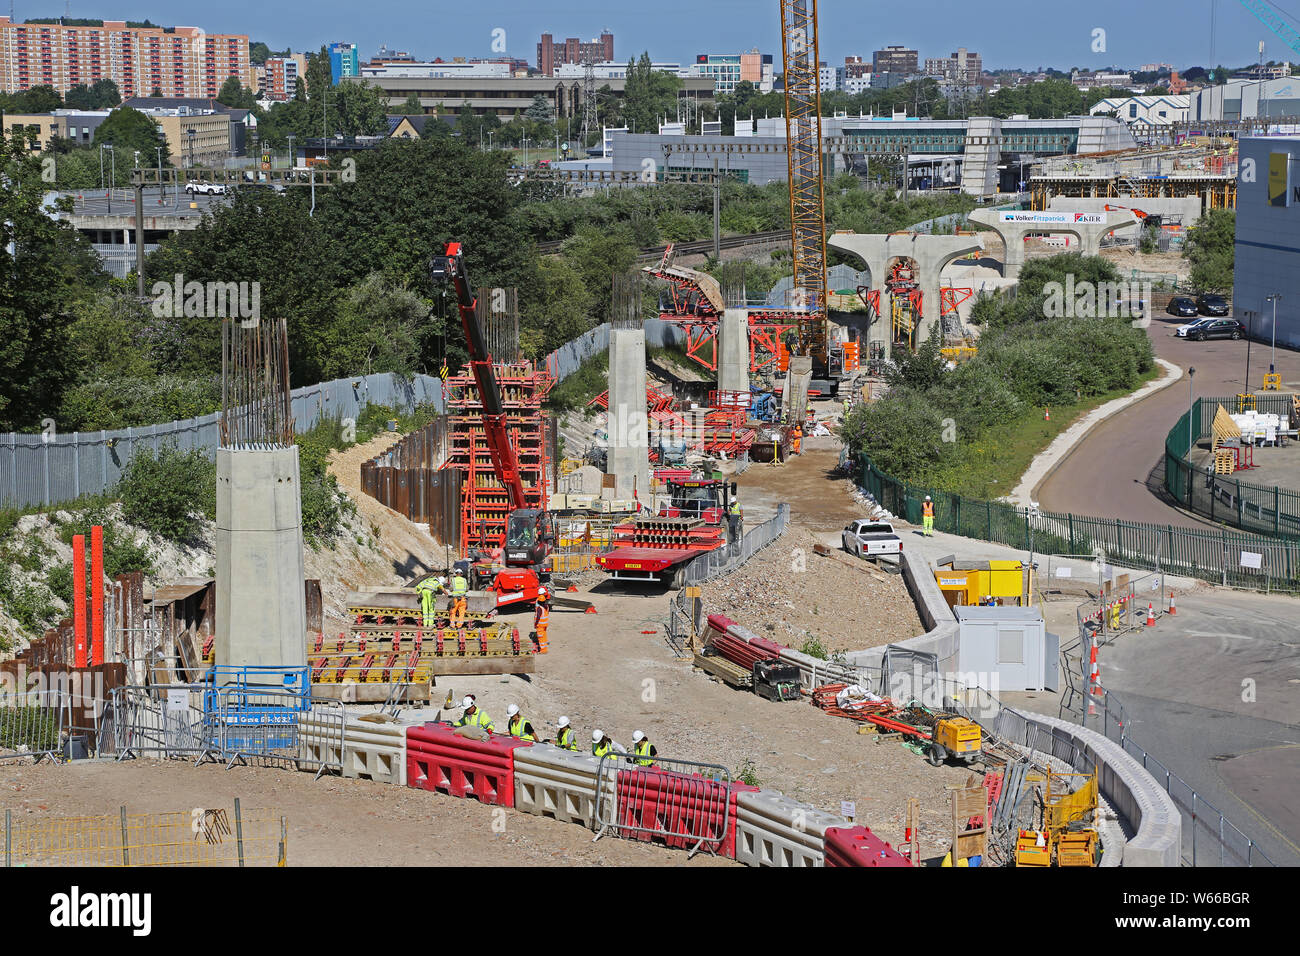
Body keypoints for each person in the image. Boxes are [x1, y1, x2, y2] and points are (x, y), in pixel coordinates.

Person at [531, 587, 551, 654]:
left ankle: (543, 650)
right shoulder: (546, 606)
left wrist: (535, 624)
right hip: (545, 624)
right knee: (544, 636)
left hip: (540, 625)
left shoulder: (539, 608)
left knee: (541, 638)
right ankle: (544, 648)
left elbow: (538, 617)